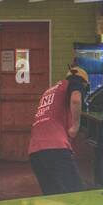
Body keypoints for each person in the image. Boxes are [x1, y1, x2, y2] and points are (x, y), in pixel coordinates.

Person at [28, 63, 90, 194]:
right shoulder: (74, 83)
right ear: (84, 83)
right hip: (55, 149)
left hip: (35, 152)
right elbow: (76, 100)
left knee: (53, 196)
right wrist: (76, 126)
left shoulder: (49, 91)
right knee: (76, 194)